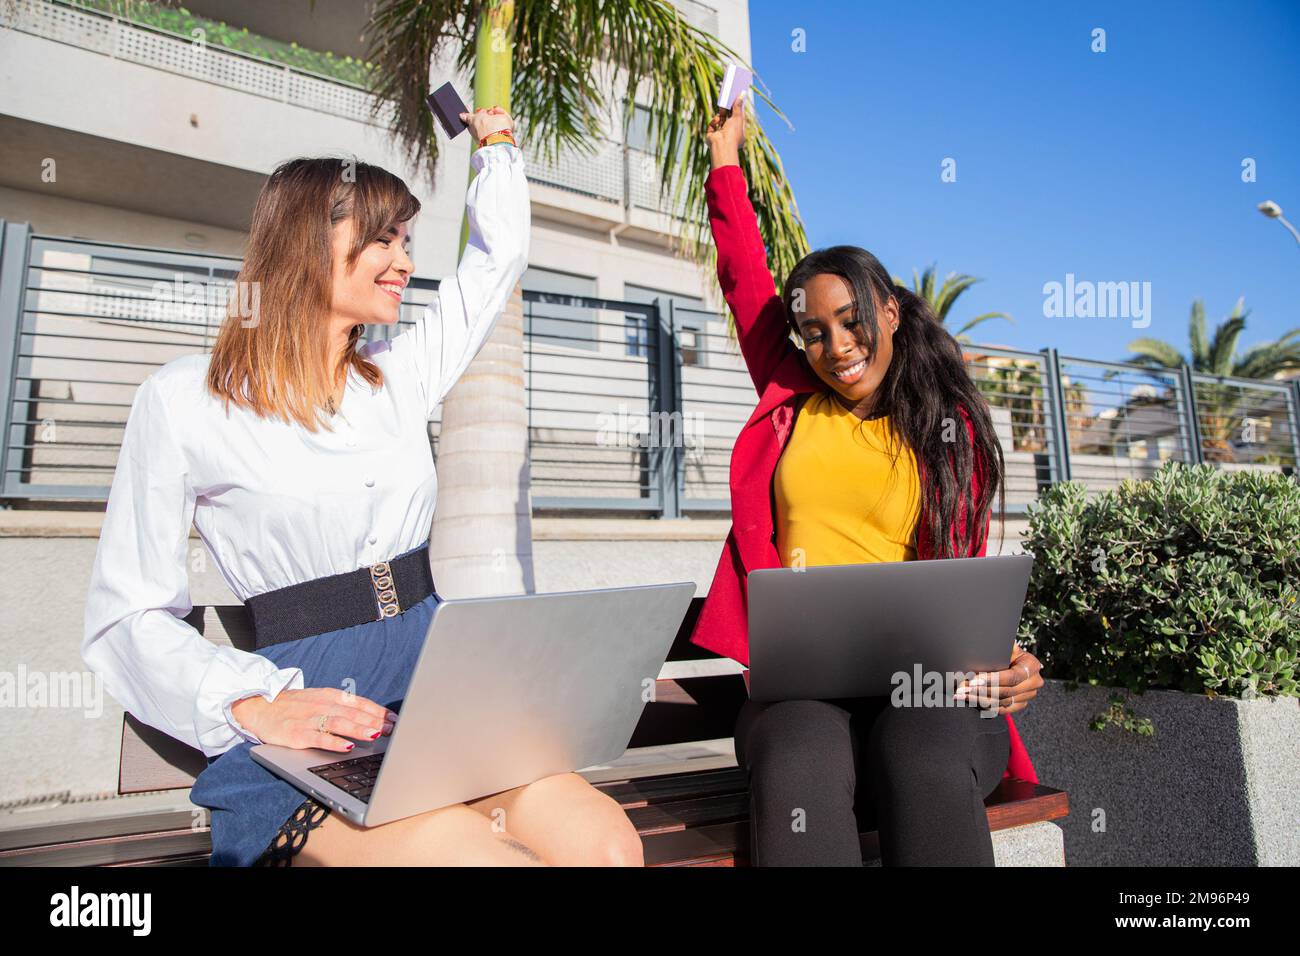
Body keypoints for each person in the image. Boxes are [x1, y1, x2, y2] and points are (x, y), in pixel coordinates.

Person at [83, 107, 643, 867]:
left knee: (607, 848)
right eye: (382, 237)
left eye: (407, 240)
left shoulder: (397, 379)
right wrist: (248, 702)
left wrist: (499, 147)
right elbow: (128, 613)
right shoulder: (184, 400)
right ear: (306, 244)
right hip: (319, 706)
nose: (404, 260)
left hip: (443, 679)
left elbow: (495, 261)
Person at [688, 100, 1046, 866]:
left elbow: (965, 587)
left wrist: (1008, 660)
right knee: (801, 760)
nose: (836, 346)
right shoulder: (790, 396)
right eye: (813, 331)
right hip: (801, 693)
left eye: (852, 321)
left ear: (888, 309)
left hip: (927, 689)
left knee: (920, 753)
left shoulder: (945, 431)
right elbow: (744, 276)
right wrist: (725, 163)